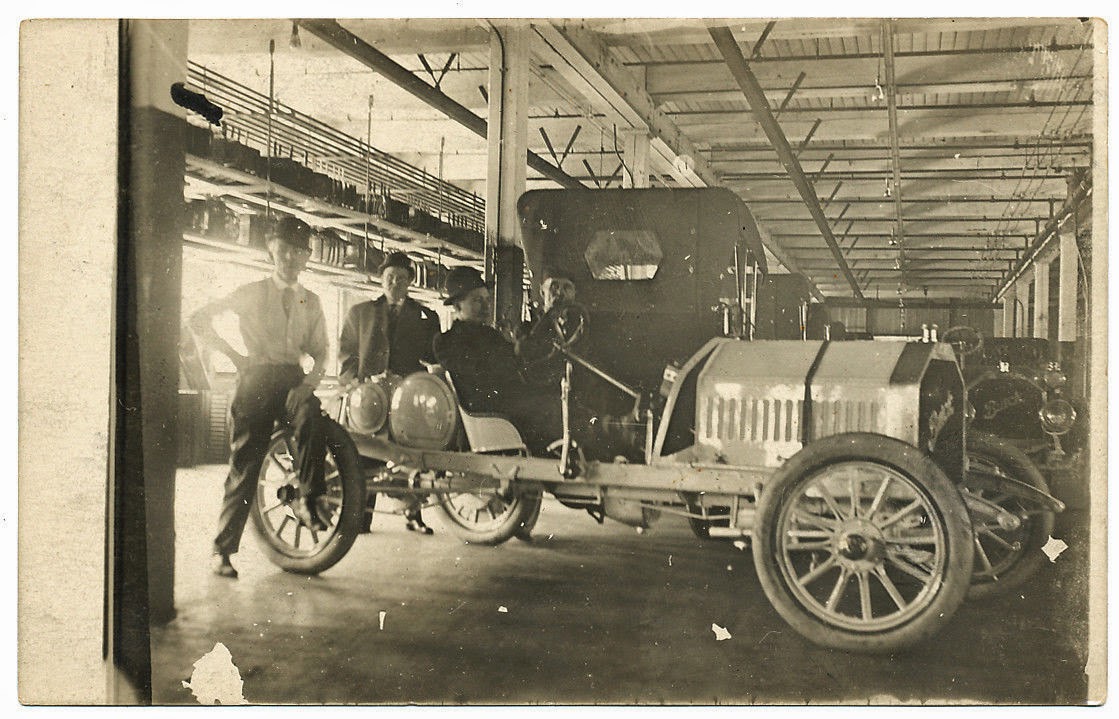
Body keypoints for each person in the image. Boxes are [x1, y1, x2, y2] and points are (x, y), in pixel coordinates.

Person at [190, 216, 329, 579]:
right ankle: (222, 550)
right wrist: (235, 357)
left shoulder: (311, 301)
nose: (291, 258)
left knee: (313, 418)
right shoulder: (250, 292)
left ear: (307, 257)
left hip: (293, 381)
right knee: (246, 464)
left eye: (298, 252)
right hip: (256, 381)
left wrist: (307, 386)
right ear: (271, 250)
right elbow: (199, 319)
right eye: (284, 250)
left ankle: (309, 500)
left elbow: (322, 353)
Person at [338, 251, 441, 534]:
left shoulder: (426, 317)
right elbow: (346, 354)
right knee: (364, 453)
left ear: (410, 281)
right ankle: (361, 516)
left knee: (409, 454)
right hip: (367, 396)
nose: (395, 283)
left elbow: (432, 358)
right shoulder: (360, 313)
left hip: (407, 399)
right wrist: (354, 383)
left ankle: (413, 513)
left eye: (402, 278)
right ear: (381, 279)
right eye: (390, 277)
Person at [433, 267, 564, 456]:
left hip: (505, 399)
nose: (486, 306)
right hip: (486, 408)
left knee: (558, 396)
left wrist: (527, 351)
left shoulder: (491, 335)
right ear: (457, 305)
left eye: (487, 300)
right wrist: (516, 354)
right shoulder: (447, 341)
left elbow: (513, 360)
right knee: (550, 407)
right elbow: (480, 372)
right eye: (477, 300)